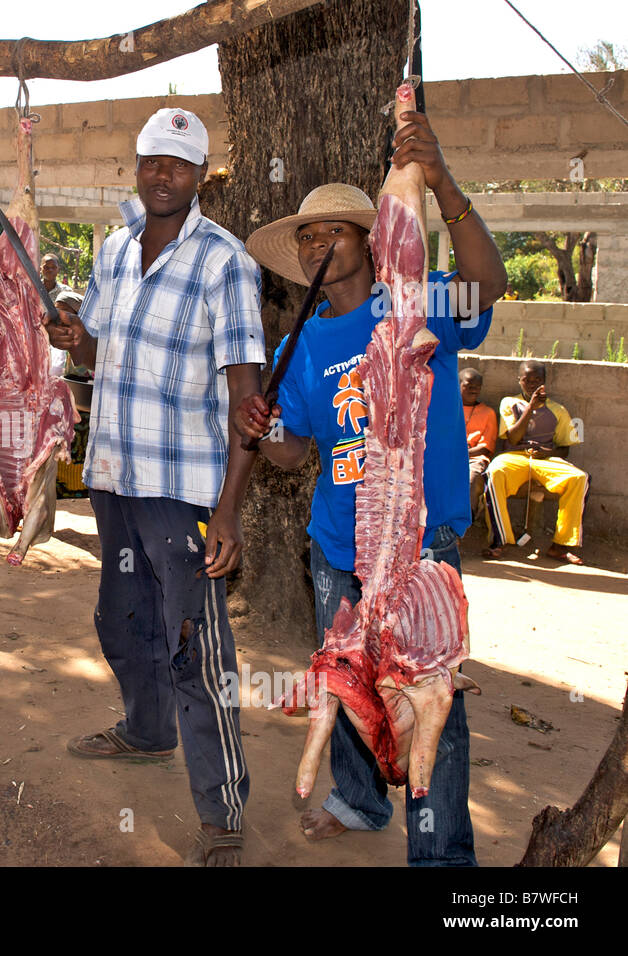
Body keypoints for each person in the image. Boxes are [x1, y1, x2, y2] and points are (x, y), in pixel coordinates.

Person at [235, 107, 508, 865]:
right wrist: (267, 431)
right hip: (339, 547)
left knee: (431, 708)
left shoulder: (421, 304)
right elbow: (294, 457)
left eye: (333, 231)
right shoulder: (300, 342)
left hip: (423, 544)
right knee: (351, 685)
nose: (319, 244)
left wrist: (444, 184)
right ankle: (359, 800)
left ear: (371, 238)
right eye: (308, 237)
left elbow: (491, 284)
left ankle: (443, 857)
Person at [46, 107, 265, 866]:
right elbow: (102, 337)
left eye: (177, 164)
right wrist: (80, 338)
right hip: (112, 470)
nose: (161, 174)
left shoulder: (226, 261)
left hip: (181, 489)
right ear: (137, 166)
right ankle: (146, 731)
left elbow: (247, 396)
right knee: (121, 618)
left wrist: (230, 510)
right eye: (150, 161)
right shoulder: (114, 249)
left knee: (196, 649)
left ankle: (224, 810)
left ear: (201, 175)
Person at [482, 360, 588, 564]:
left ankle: (561, 545)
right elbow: (512, 438)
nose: (532, 384)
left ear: (544, 382)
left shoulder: (558, 410)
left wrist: (547, 451)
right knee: (493, 474)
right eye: (527, 380)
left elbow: (565, 447)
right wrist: (530, 407)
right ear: (519, 381)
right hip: (515, 457)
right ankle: (499, 540)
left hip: (545, 459)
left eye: (537, 380)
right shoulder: (509, 403)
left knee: (579, 478)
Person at [460, 368, 497, 518]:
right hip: (447, 457)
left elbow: (485, 448)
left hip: (473, 459)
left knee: (471, 479)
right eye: (469, 386)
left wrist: (460, 454)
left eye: (477, 387)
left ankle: (465, 523)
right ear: (458, 385)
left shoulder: (488, 413)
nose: (474, 390)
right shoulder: (447, 409)